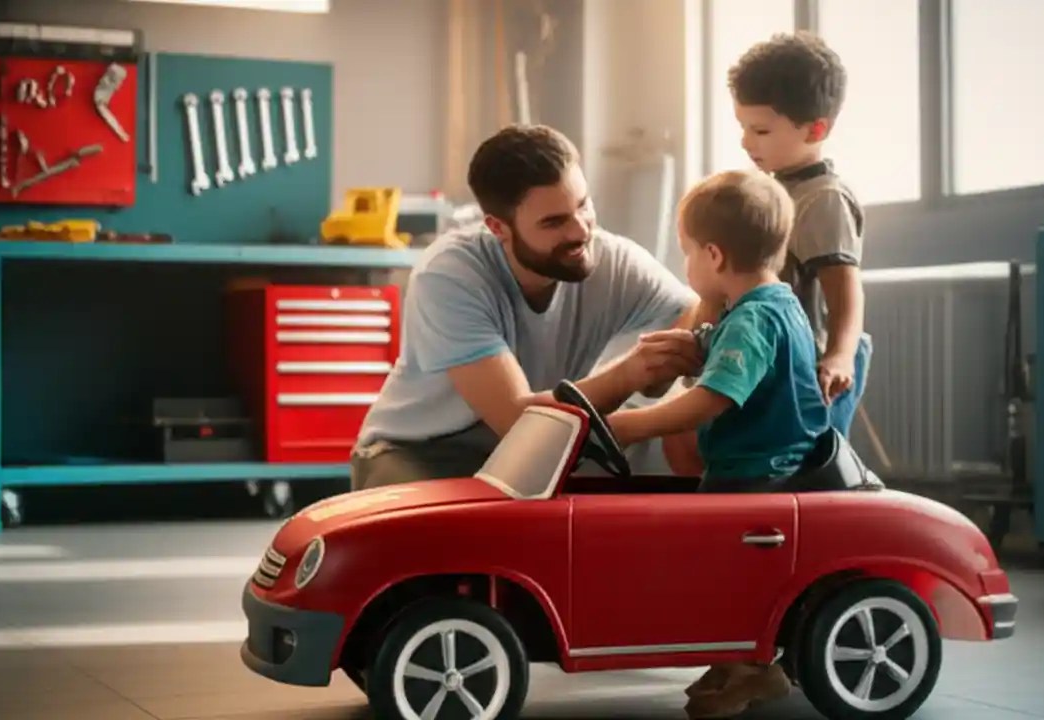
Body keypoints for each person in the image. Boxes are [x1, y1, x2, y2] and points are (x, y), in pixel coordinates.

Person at [350, 124, 716, 490]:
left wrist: (713, 299)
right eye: (554, 222)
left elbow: (697, 311)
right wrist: (627, 375)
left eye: (583, 205)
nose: (580, 231)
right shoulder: (449, 276)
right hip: (420, 452)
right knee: (441, 522)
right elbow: (517, 423)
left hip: (530, 459)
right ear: (498, 228)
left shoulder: (614, 262)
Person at [606, 169, 824, 718]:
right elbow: (736, 358)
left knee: (716, 571)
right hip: (771, 465)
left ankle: (751, 670)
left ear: (714, 256)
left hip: (754, 473)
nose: (686, 265)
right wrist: (694, 344)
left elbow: (713, 400)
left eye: (686, 253)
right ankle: (737, 662)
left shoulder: (752, 320)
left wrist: (631, 425)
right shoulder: (777, 303)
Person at [728, 30, 872, 438]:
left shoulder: (822, 199)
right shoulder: (775, 190)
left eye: (760, 131)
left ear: (815, 130)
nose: (745, 141)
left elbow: (845, 291)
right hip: (777, 362)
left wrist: (839, 357)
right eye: (742, 127)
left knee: (807, 466)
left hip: (811, 373)